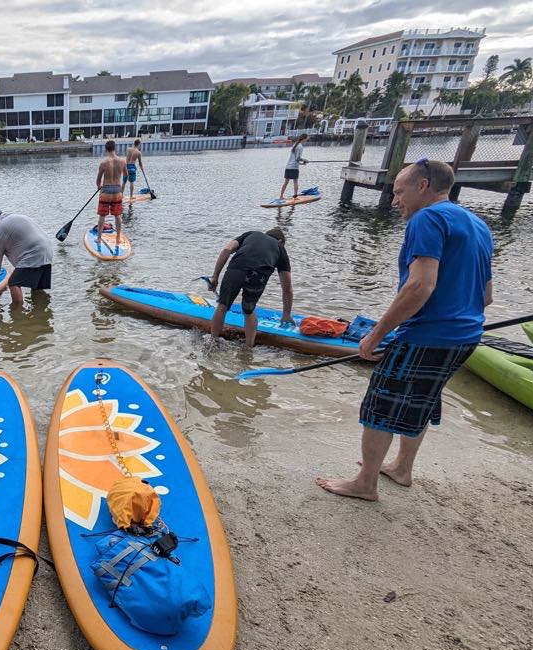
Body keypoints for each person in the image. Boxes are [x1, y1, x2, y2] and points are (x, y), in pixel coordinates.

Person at [317, 159, 493, 502]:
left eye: (399, 191)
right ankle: (401, 468)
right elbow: (487, 295)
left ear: (423, 186)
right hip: (467, 336)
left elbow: (419, 286)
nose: (395, 200)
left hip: (427, 335)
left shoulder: (427, 218)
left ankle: (365, 483)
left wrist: (376, 334)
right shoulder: (478, 224)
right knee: (423, 400)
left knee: (380, 405)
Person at [207, 228, 294, 347]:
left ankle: (213, 341)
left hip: (236, 269)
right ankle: (248, 349)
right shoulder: (280, 247)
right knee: (248, 311)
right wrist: (286, 314)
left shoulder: (251, 234)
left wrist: (215, 277)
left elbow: (227, 249)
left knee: (222, 306)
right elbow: (287, 288)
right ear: (280, 241)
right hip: (259, 275)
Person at [0, 207, 53, 304]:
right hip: (47, 252)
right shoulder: (16, 217)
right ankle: (41, 314)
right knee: (36, 289)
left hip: (34, 253)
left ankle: (17, 313)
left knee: (13, 283)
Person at [95, 140, 126, 252]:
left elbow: (98, 180)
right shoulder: (122, 161)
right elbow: (125, 175)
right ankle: (118, 238)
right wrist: (122, 188)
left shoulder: (103, 163)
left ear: (106, 149)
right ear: (115, 148)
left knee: (102, 216)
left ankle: (98, 239)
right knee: (117, 215)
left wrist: (99, 186)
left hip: (106, 190)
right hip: (117, 189)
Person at [279, 134, 309, 200]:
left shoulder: (295, 144)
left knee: (286, 182)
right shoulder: (300, 146)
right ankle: (295, 197)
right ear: (304, 138)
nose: (307, 140)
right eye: (307, 139)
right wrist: (305, 160)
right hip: (294, 168)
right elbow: (298, 158)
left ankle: (281, 196)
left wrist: (302, 163)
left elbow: (295, 159)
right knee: (295, 181)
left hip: (288, 167)